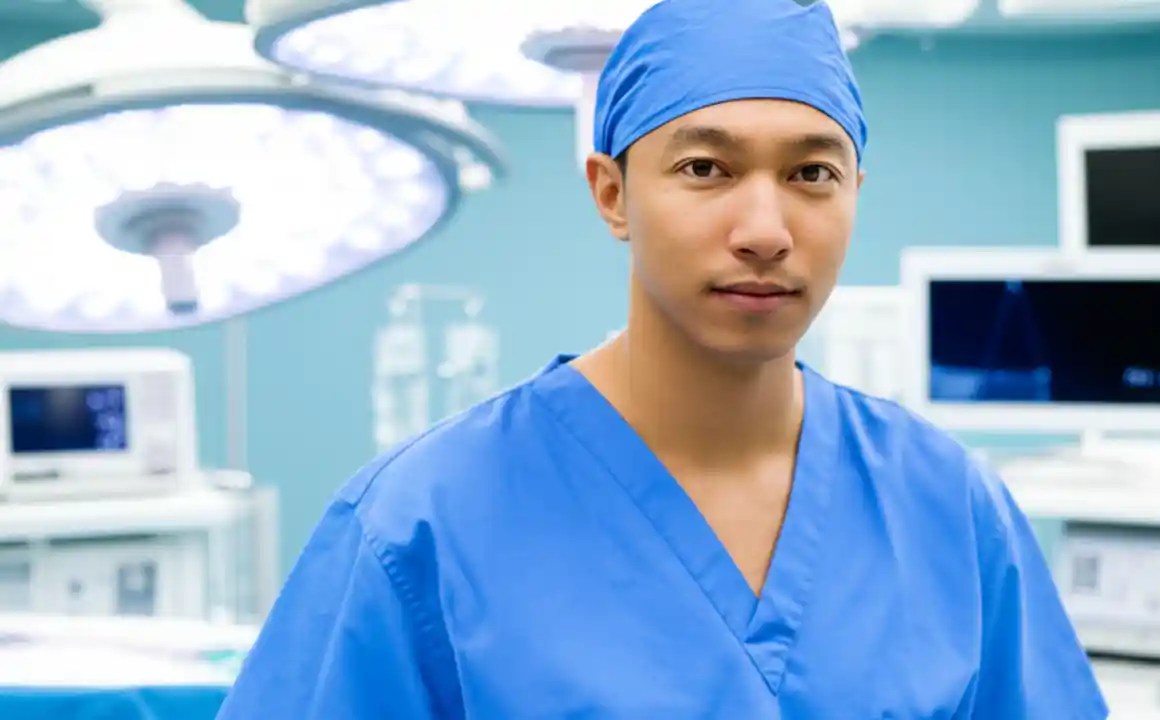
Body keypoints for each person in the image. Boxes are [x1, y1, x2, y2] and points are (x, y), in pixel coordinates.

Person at [216, 0, 1109, 717]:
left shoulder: (947, 506)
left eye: (812, 175)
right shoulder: (423, 524)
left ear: (855, 196)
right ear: (612, 194)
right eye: (705, 169)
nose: (765, 232)